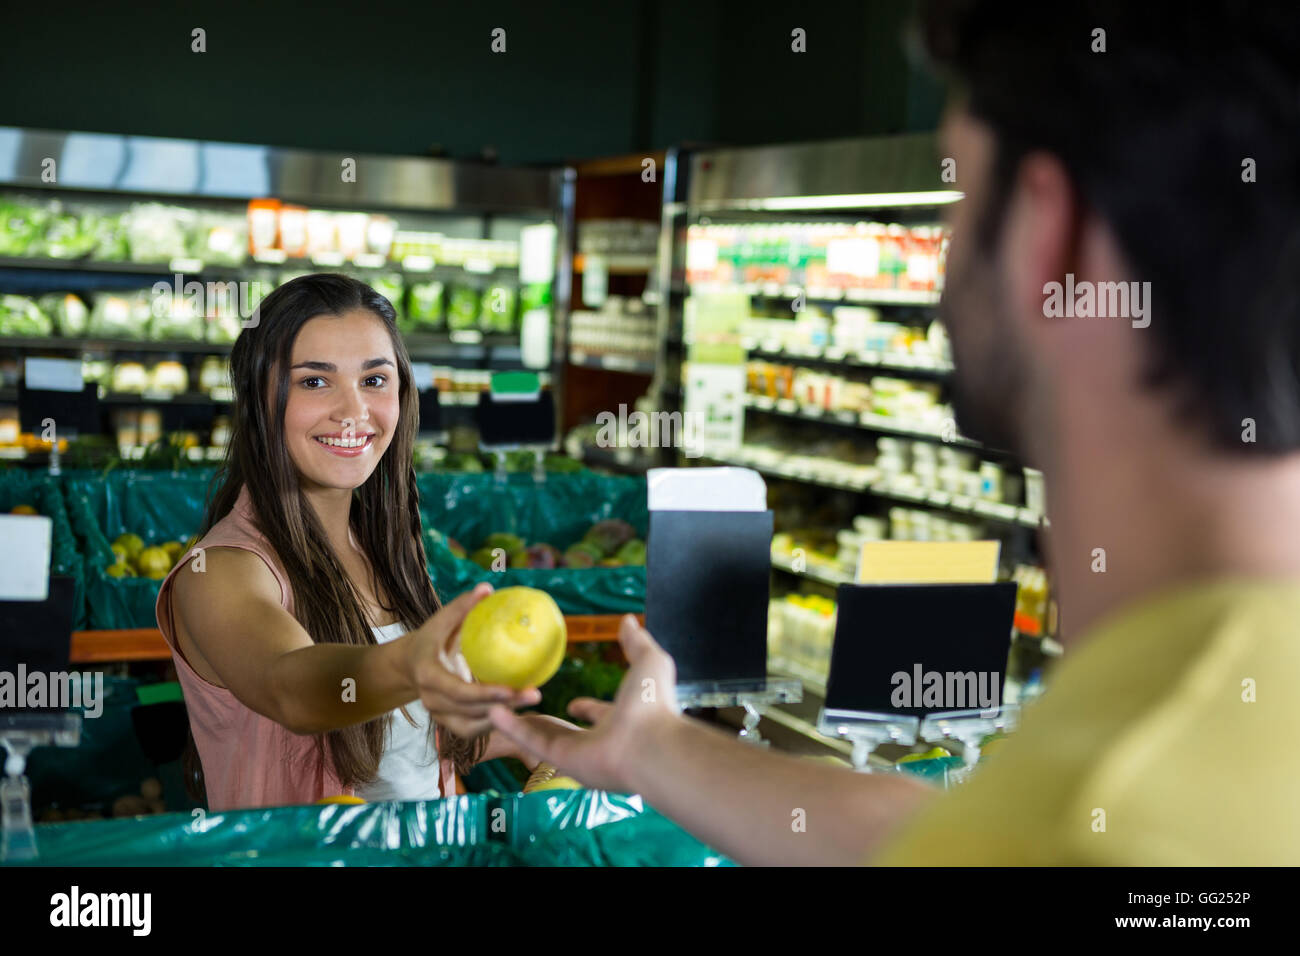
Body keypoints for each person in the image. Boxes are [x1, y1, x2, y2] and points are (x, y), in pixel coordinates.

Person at [488, 0, 1300, 865]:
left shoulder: (1096, 819)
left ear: (1048, 239)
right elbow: (928, 837)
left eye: (958, 193)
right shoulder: (1161, 751)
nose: (944, 257)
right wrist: (652, 749)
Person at [156, 273, 553, 811]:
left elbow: (401, 750)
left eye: (374, 380)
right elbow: (292, 689)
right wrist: (410, 662)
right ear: (257, 401)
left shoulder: (385, 554)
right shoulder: (223, 571)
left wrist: (537, 736)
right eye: (314, 382)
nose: (354, 412)